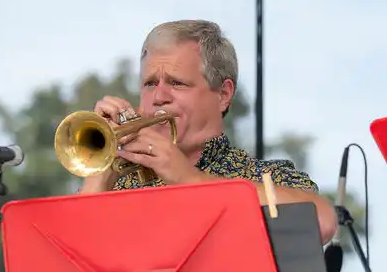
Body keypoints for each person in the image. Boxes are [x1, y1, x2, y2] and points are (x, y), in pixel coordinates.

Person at [79, 19, 338, 243]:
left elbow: (322, 220)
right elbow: (64, 266)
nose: (158, 96)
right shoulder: (117, 189)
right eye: (149, 83)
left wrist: (189, 180)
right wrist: (100, 176)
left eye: (177, 83)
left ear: (223, 95)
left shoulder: (265, 176)